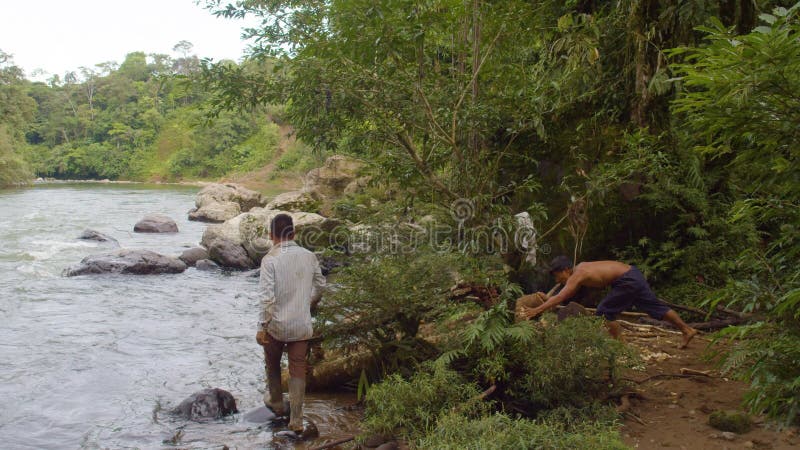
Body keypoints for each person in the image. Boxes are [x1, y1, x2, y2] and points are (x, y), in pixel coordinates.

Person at [522, 256, 697, 348]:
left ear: (566, 270)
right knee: (654, 307)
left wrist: (537, 310)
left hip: (627, 280)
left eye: (557, 275)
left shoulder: (578, 275)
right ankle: (687, 330)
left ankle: (620, 346)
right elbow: (564, 294)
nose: (557, 279)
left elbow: (561, 297)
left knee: (604, 312)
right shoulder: (581, 267)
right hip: (632, 274)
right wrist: (546, 299)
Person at [255, 213, 326, 432]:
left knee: (272, 362)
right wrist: (310, 303)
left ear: (271, 235)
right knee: (297, 368)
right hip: (301, 324)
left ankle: (276, 402)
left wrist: (262, 326)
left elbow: (267, 298)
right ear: (294, 233)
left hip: (276, 325)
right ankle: (296, 419)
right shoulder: (309, 256)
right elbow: (321, 286)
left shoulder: (270, 260)